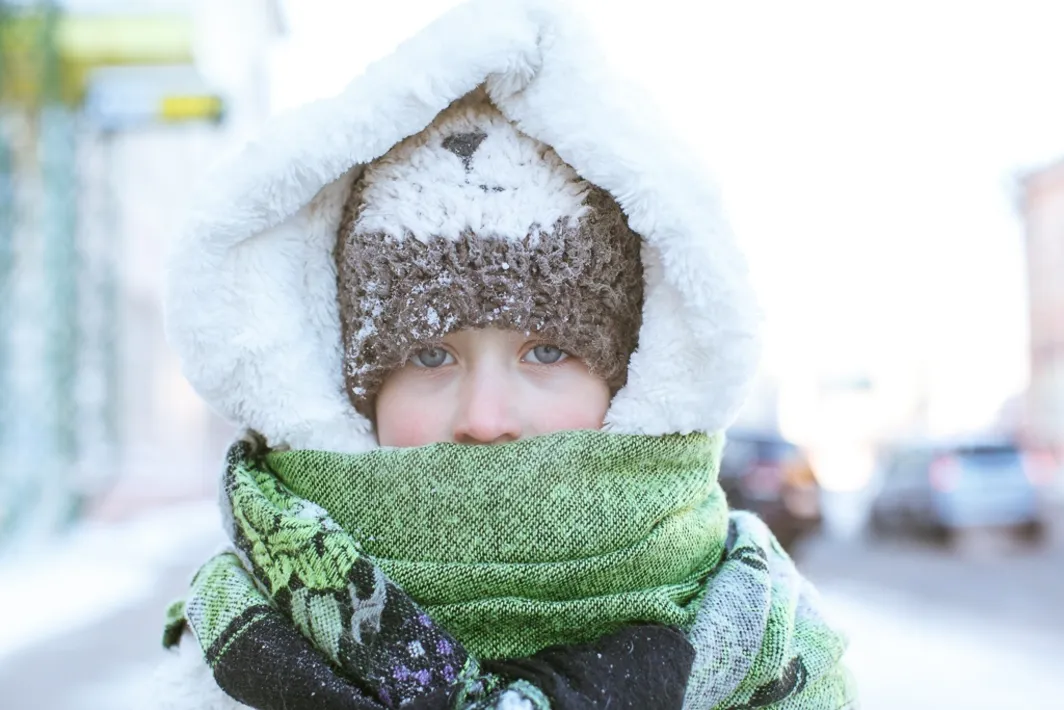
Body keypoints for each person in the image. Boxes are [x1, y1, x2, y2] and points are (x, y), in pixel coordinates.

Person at [155, 1, 857, 708]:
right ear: (350, 390)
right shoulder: (234, 664)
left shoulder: (775, 655)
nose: (485, 419)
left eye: (547, 350)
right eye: (429, 356)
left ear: (643, 374)